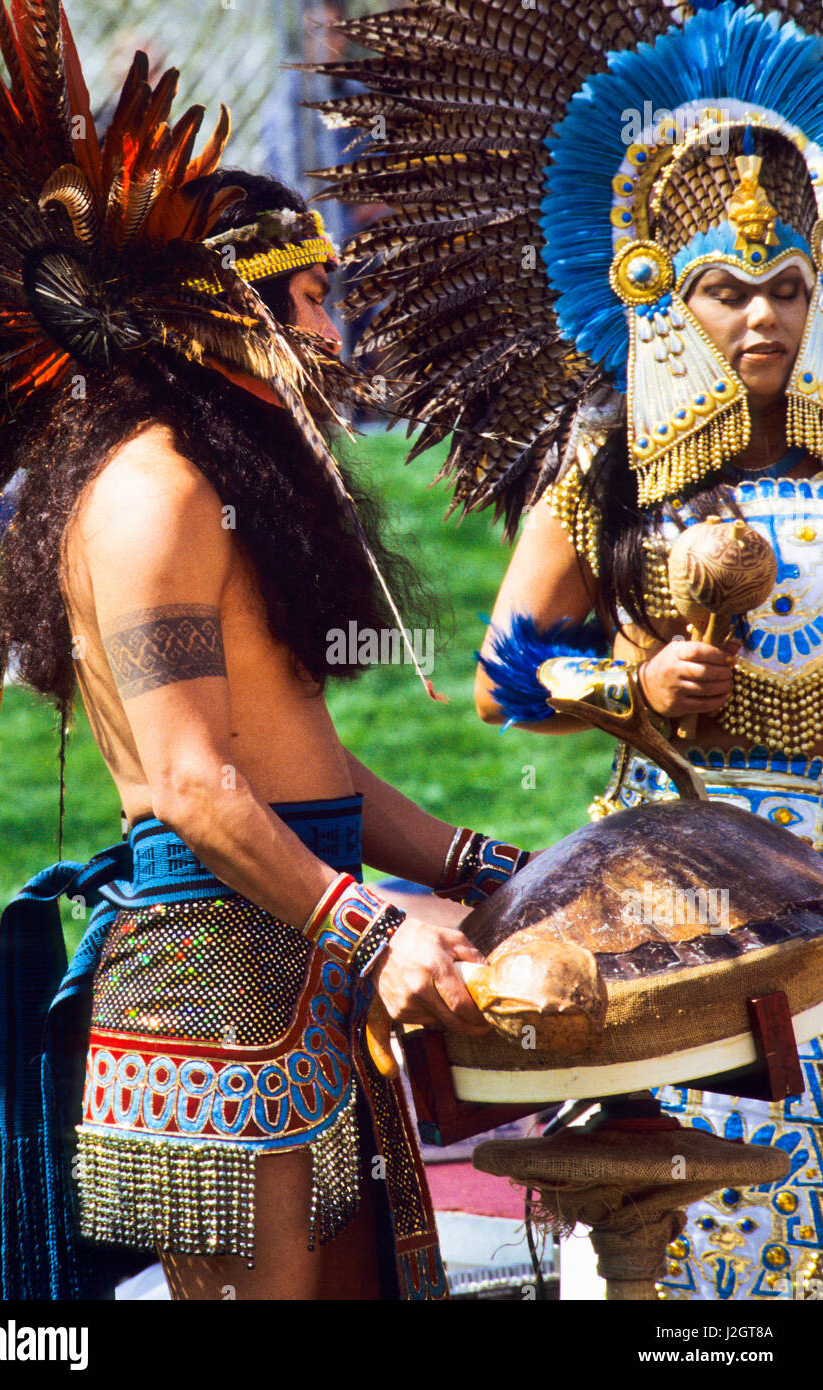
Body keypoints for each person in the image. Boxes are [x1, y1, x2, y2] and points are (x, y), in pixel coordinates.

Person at [0, 3, 531, 1301]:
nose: (328, 333)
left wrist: (493, 865)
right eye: (302, 300)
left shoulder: (222, 480)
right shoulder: (152, 493)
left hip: (299, 957)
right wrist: (374, 926)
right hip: (213, 990)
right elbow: (200, 789)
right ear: (216, 316)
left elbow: (301, 762)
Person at [303, 0, 823, 1300]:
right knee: (703, 1213)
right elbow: (503, 671)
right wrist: (630, 686)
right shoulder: (605, 455)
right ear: (659, 289)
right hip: (690, 882)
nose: (760, 320)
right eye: (724, 289)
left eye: (789, 288)